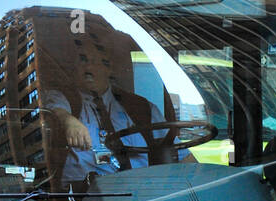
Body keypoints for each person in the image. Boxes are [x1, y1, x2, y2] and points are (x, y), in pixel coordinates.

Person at [43, 34, 187, 187]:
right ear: (74, 68)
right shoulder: (65, 98)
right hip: (82, 200)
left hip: (141, 198)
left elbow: (181, 155)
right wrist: (68, 121)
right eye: (83, 61)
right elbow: (55, 109)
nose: (88, 68)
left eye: (95, 62)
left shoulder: (142, 107)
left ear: (108, 68)